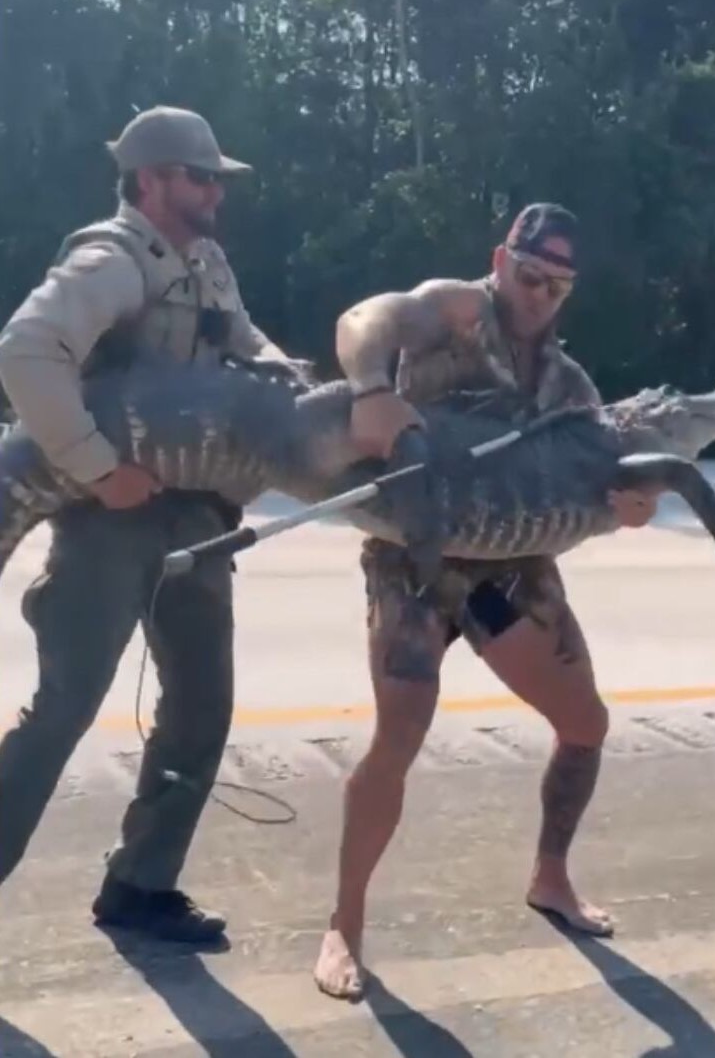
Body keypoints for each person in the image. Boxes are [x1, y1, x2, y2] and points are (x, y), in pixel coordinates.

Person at [313, 202, 660, 998]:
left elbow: (606, 477)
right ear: (501, 259)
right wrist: (369, 388)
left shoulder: (569, 385)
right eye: (531, 275)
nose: (540, 296)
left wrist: (634, 504)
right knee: (397, 738)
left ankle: (551, 877)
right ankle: (344, 923)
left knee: (585, 722)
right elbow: (364, 319)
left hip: (508, 569)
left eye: (559, 286)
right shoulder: (454, 314)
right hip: (415, 560)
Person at [0, 105, 291, 942]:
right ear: (152, 180)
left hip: (194, 515)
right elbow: (26, 349)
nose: (215, 192)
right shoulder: (112, 258)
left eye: (216, 179)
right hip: (108, 517)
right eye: (201, 177)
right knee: (64, 710)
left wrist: (288, 381)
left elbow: (245, 341)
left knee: (203, 705)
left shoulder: (204, 260)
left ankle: (140, 883)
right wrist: (95, 463)